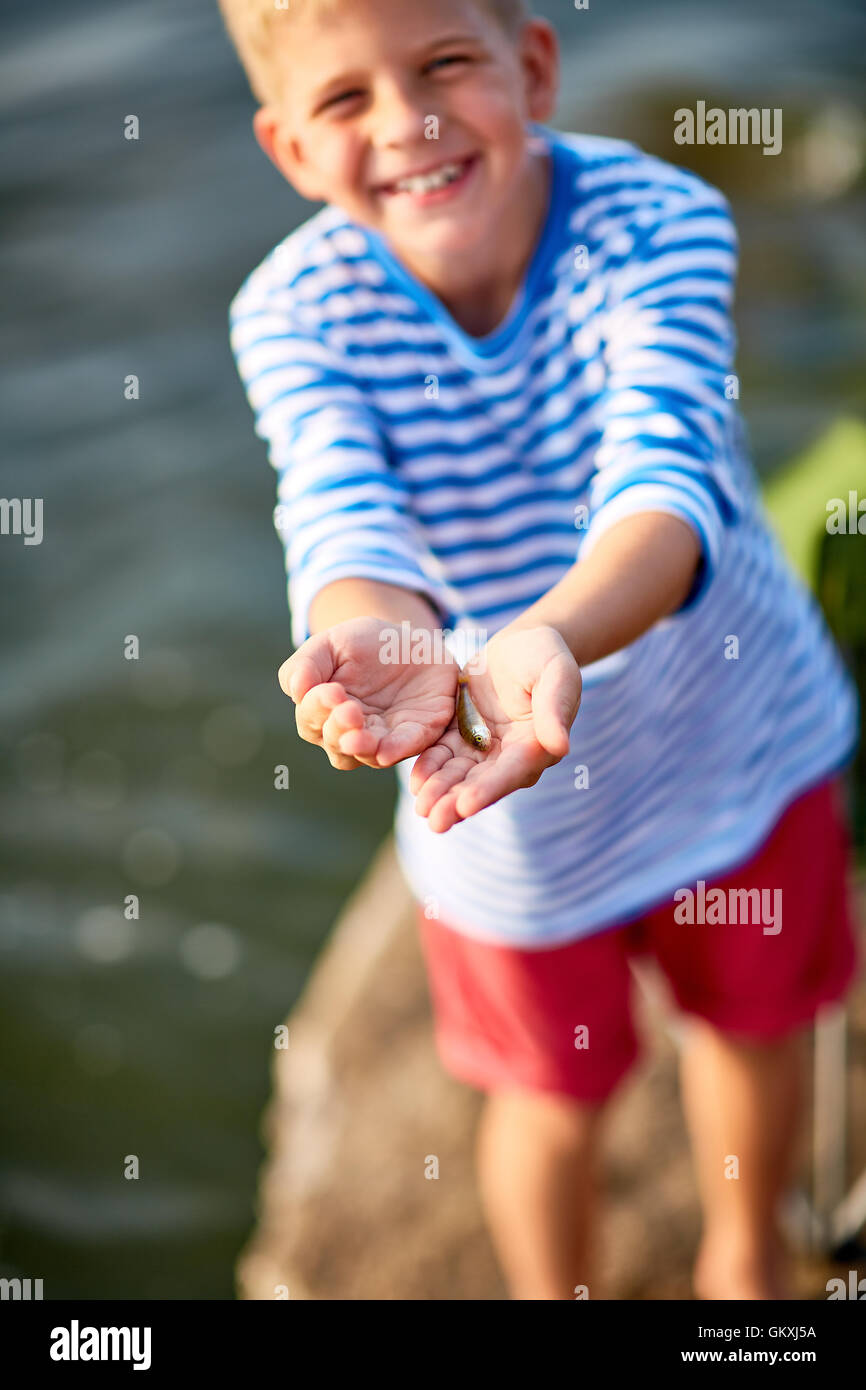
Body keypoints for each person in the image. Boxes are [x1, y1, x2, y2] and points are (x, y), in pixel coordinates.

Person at [219, 0, 860, 1299]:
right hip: (505, 797)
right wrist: (372, 640)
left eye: (445, 62)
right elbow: (344, 516)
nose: (405, 123)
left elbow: (663, 482)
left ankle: (743, 1262)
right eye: (344, 101)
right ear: (288, 148)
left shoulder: (658, 223)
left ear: (536, 64)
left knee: (751, 1030)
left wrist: (550, 632)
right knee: (545, 1090)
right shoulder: (292, 314)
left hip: (729, 736)